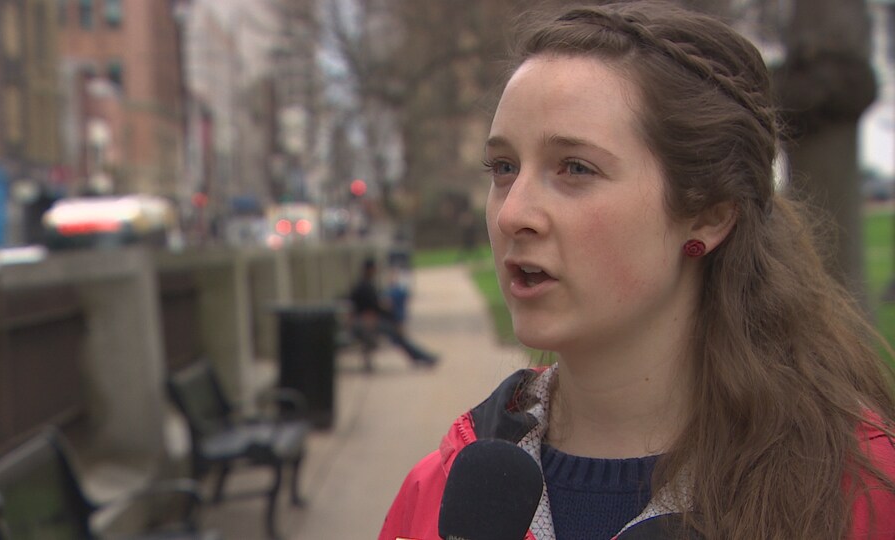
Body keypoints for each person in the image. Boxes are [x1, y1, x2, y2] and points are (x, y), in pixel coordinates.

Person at [379, 2, 895, 539]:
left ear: (710, 214)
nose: (513, 214)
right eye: (504, 168)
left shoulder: (856, 494)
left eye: (575, 168)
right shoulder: (439, 494)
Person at [349, 257, 438, 369]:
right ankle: (419, 356)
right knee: (397, 335)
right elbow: (375, 308)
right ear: (370, 270)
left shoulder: (363, 285)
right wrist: (394, 319)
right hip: (365, 323)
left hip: (366, 322)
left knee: (397, 336)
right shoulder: (365, 287)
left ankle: (419, 355)